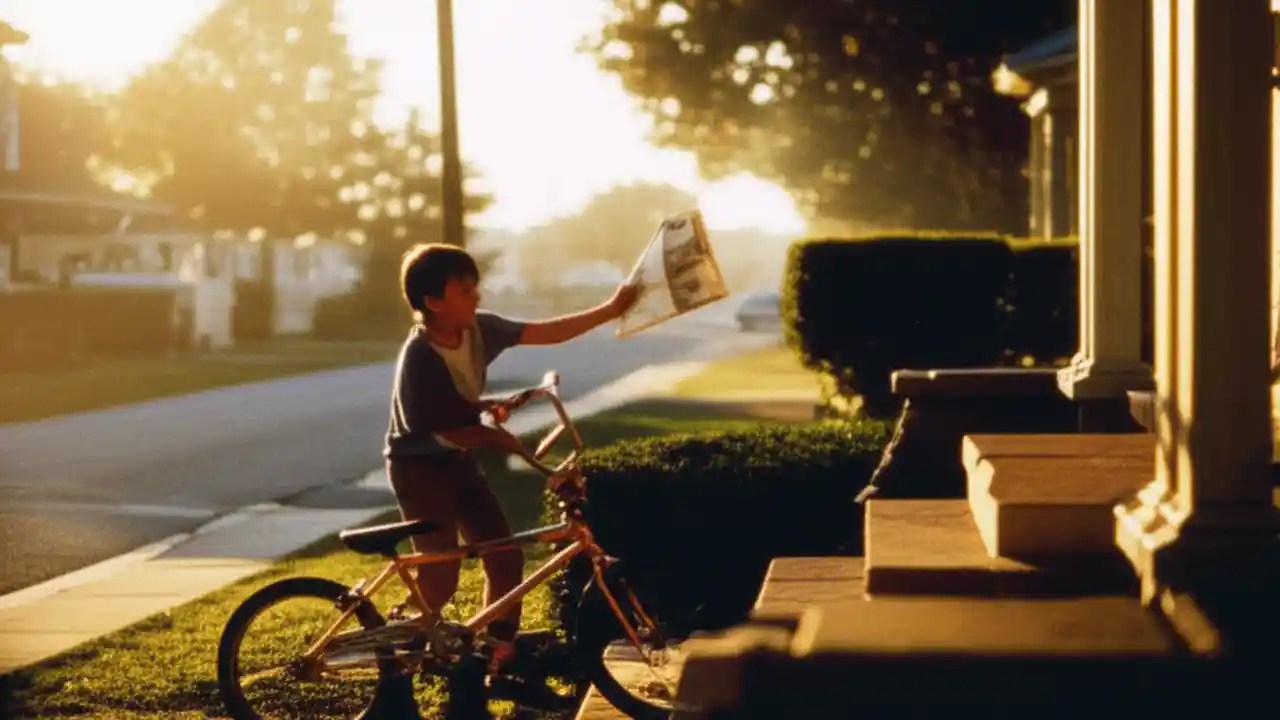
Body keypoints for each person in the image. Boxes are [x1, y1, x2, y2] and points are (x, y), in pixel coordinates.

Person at [383, 242, 638, 671]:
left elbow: (548, 332)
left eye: (474, 287)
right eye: (464, 290)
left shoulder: (481, 329)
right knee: (440, 577)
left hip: (457, 460)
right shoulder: (419, 356)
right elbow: (434, 424)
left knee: (505, 556)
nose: (476, 296)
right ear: (433, 302)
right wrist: (499, 437)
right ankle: (394, 645)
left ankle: (494, 652)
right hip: (418, 467)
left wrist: (611, 309)